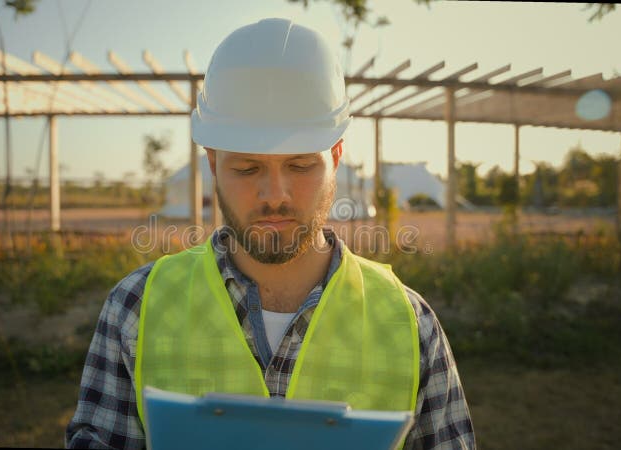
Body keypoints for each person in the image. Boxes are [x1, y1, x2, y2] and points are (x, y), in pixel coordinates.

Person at [66, 18, 475, 449]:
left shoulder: (410, 324)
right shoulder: (135, 308)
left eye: (300, 165)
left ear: (336, 157)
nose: (275, 196)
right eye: (247, 167)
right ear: (212, 163)